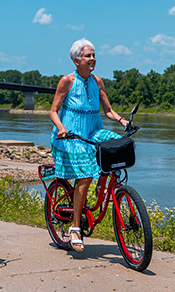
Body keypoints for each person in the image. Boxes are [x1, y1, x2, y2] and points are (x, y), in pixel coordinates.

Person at [49, 38, 129, 252]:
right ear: (76, 60)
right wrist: (62, 128)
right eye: (88, 56)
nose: (93, 59)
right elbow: (53, 111)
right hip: (69, 135)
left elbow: (108, 111)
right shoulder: (67, 81)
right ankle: (75, 227)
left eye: (94, 55)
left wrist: (122, 121)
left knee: (117, 146)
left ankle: (100, 195)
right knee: (84, 176)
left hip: (93, 131)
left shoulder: (98, 82)